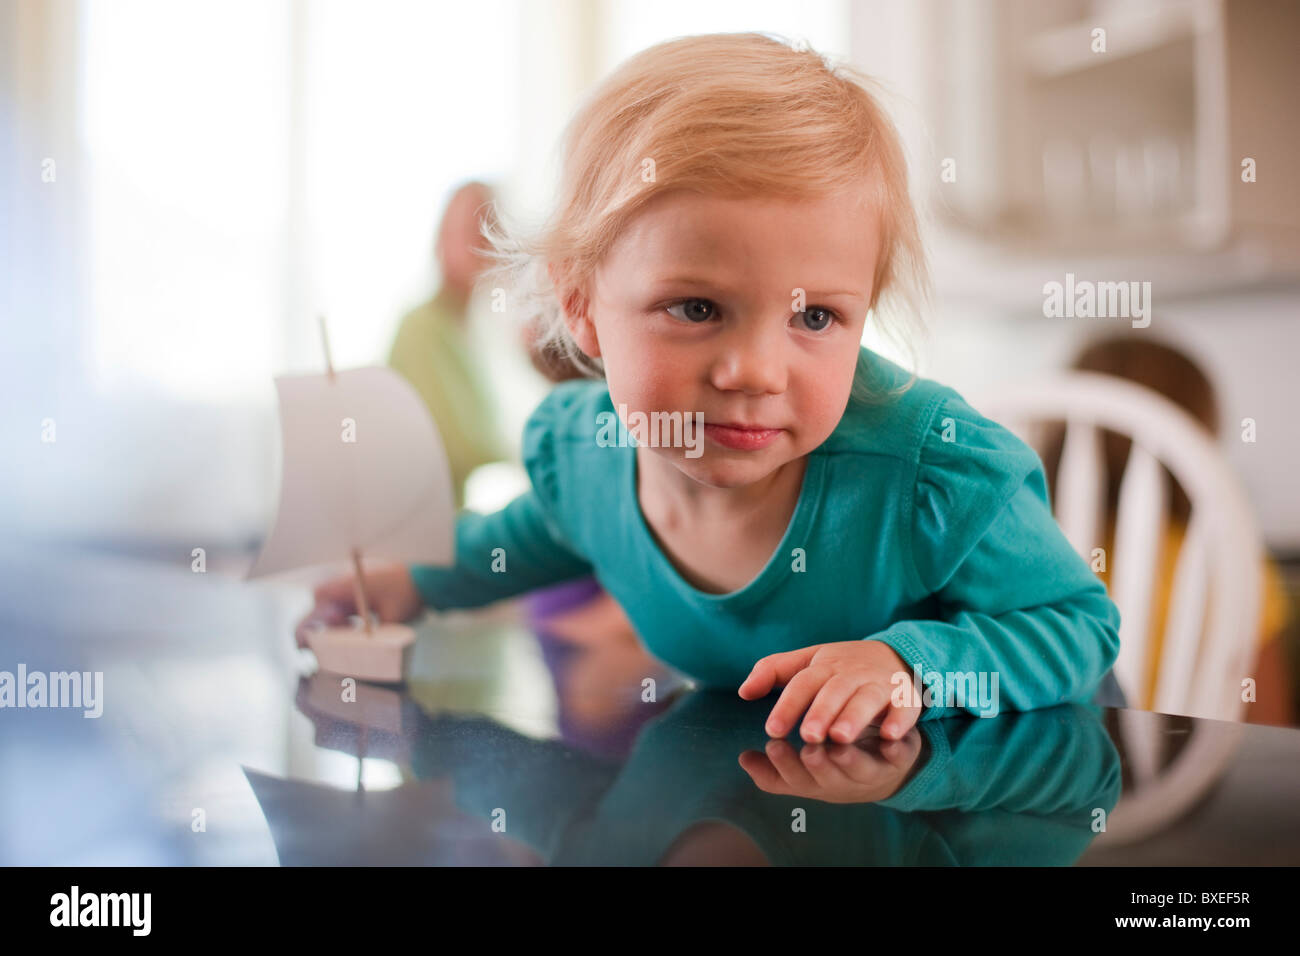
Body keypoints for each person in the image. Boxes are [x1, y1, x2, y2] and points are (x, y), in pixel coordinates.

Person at [298, 33, 1121, 745]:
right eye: (697, 308)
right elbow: (522, 539)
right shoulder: (588, 456)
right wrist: (412, 581)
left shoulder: (929, 475)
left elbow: (1079, 631)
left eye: (818, 318)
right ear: (581, 306)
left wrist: (916, 669)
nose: (756, 372)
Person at [1040, 334, 1296, 726]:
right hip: (1184, 771)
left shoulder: (1028, 545)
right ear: (1199, 432)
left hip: (1041, 771)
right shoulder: (1228, 560)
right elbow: (1268, 719)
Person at [388, 180, 508, 508]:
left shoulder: (472, 330)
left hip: (454, 513)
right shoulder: (421, 327)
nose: (482, 246)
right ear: (441, 239)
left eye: (490, 230)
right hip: (414, 519)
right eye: (470, 232)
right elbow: (460, 447)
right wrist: (545, 449)